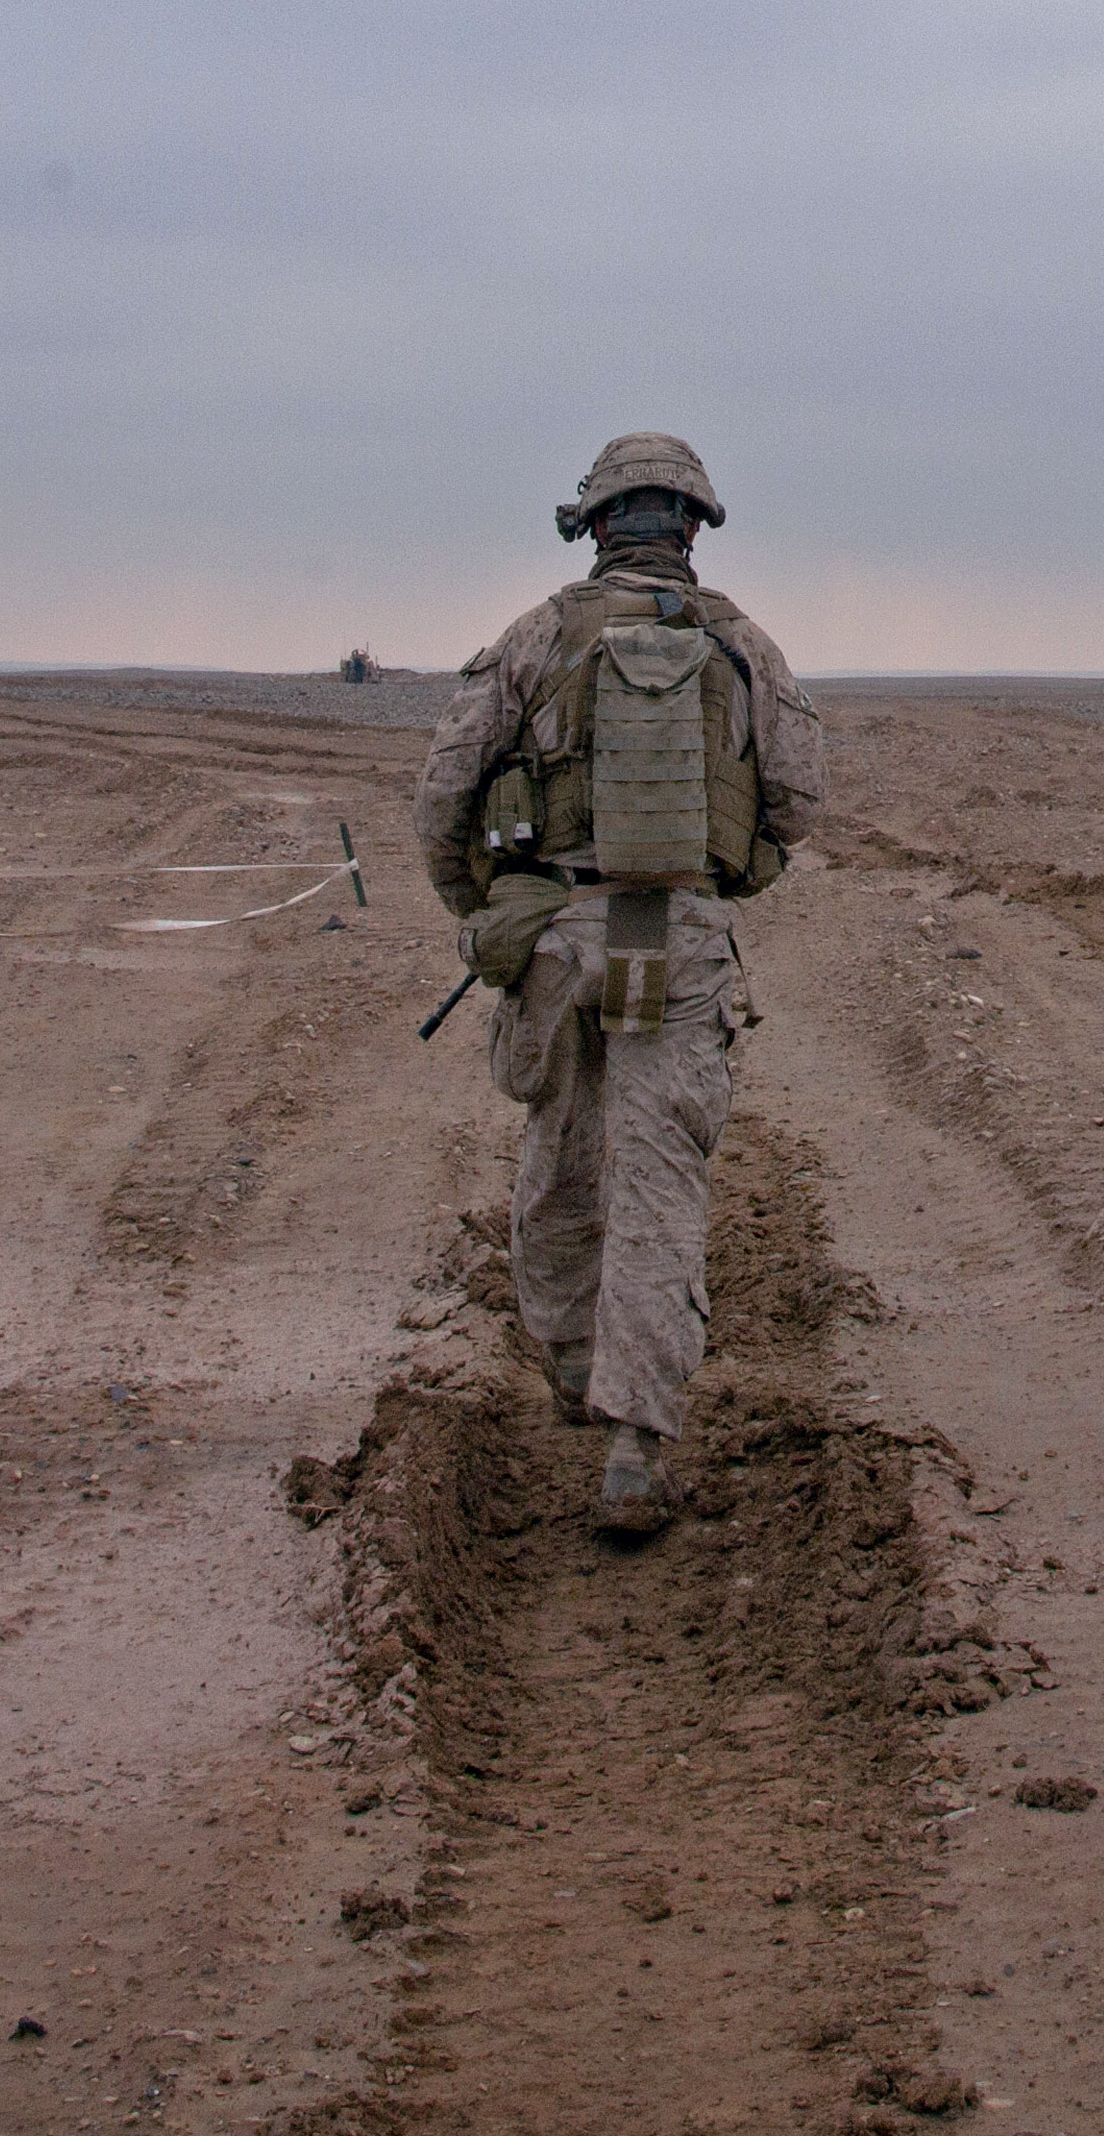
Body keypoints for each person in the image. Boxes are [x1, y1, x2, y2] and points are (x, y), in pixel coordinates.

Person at [415, 432, 823, 1534]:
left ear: (596, 524)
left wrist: (492, 907)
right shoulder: (743, 646)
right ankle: (635, 1442)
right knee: (658, 1183)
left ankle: (569, 1366)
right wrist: (718, 885)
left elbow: (443, 792)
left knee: (560, 1155)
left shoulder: (538, 633)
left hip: (556, 944)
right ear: (690, 527)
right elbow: (794, 797)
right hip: (678, 942)